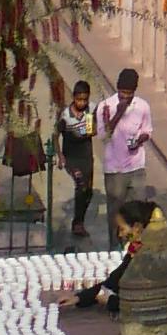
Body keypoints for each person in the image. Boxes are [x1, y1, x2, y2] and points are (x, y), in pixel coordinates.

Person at [99, 64, 155, 240]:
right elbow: (103, 135)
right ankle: (114, 247)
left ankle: (136, 246)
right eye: (122, 92)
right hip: (114, 170)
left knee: (138, 210)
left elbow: (148, 131)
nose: (125, 96)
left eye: (128, 93)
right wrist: (118, 113)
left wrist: (139, 140)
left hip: (136, 167)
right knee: (116, 211)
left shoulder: (142, 106)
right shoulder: (106, 107)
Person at [52, 79, 98, 246]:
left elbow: (94, 130)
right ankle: (77, 225)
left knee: (88, 191)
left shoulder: (91, 109)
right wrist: (60, 156)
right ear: (73, 98)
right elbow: (55, 136)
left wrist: (89, 129)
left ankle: (79, 219)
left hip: (86, 154)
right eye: (79, 99)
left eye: (84, 99)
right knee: (80, 182)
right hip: (71, 156)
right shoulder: (65, 116)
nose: (82, 103)